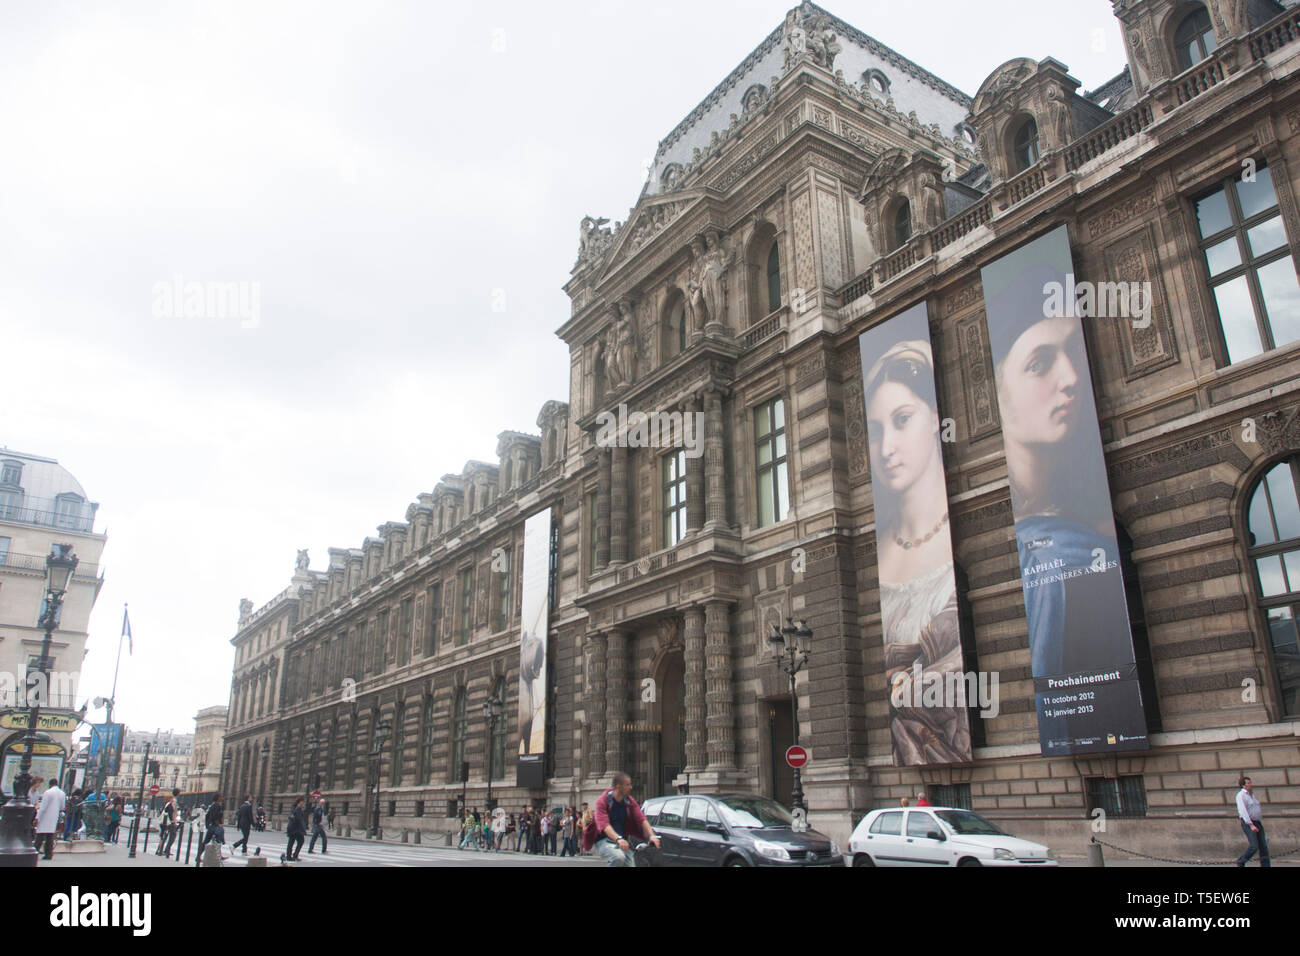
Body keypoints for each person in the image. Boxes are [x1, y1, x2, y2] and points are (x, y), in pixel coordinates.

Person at [864, 338, 970, 765]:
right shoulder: (881, 552)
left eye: (902, 419)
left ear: (935, 420)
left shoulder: (952, 556)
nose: (887, 447)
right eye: (875, 431)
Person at [591, 772, 660, 867]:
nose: (631, 787)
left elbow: (641, 819)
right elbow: (604, 825)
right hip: (604, 840)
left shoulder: (629, 801)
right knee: (618, 857)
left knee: (631, 865)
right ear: (619, 786)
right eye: (628, 785)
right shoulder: (603, 801)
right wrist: (618, 839)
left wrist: (652, 835)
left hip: (621, 841)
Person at [1235, 776, 1270, 867]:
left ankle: (1265, 865)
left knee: (1263, 845)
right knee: (1254, 846)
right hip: (1249, 823)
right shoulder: (1241, 795)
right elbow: (1243, 811)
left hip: (1257, 822)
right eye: (1248, 783)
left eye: (1250, 782)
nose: (1251, 784)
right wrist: (1251, 824)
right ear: (1243, 785)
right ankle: (1241, 861)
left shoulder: (1252, 795)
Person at [33, 778, 66, 861]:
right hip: (54, 816)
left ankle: (35, 852)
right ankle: (48, 854)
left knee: (40, 836)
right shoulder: (62, 793)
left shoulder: (48, 792)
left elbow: (43, 807)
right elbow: (62, 806)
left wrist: (37, 817)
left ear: (50, 784)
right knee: (50, 836)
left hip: (45, 816)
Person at [158, 791, 180, 857]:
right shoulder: (170, 805)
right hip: (168, 823)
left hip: (164, 822)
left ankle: (160, 850)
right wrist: (173, 821)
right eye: (171, 798)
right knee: (171, 835)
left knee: (163, 836)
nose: (172, 799)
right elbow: (171, 814)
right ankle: (164, 850)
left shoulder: (166, 804)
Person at [284, 797, 307, 862]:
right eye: (302, 801)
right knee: (300, 841)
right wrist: (303, 828)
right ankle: (294, 855)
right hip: (296, 829)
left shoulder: (294, 808)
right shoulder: (298, 809)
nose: (303, 803)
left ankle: (289, 856)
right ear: (300, 802)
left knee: (291, 842)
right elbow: (298, 819)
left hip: (292, 828)